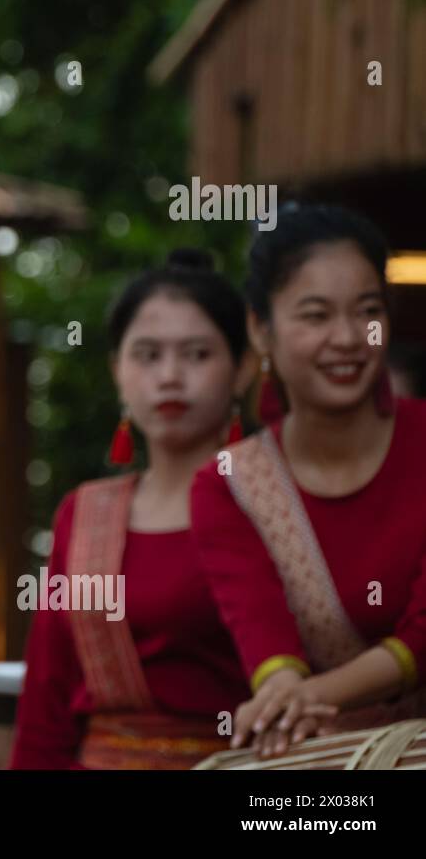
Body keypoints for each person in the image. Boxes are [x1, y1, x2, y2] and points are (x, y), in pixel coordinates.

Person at [191, 204, 426, 760]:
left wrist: (307, 696)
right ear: (260, 328)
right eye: (315, 316)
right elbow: (265, 639)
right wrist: (281, 696)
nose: (347, 337)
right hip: (329, 756)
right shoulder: (230, 484)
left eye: (367, 311)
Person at [10, 249, 254, 769]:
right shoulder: (84, 512)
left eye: (197, 354)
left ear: (243, 368)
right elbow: (47, 698)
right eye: (146, 355)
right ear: (117, 371)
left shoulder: (274, 509)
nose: (170, 376)